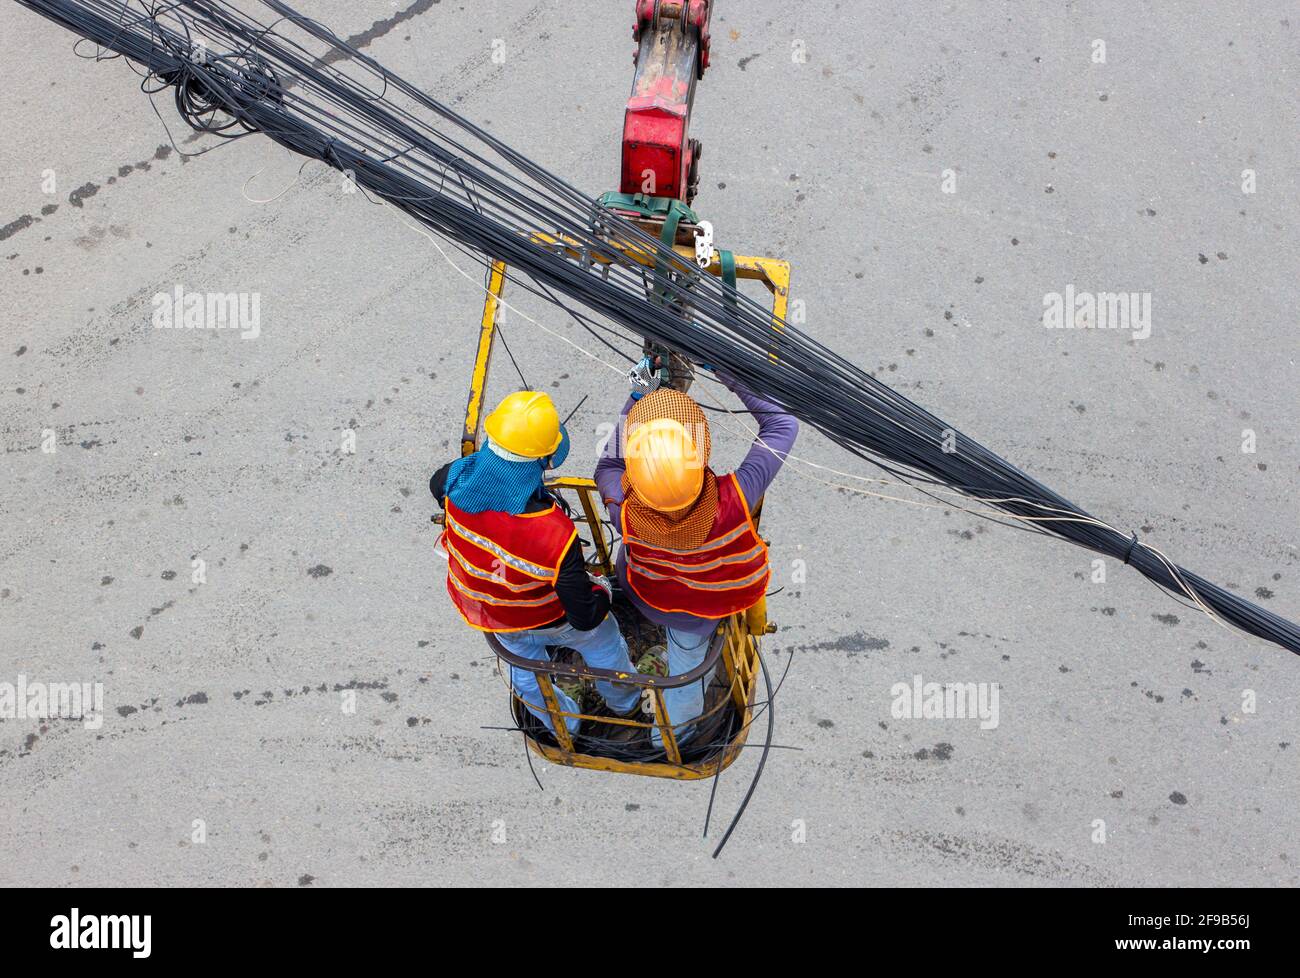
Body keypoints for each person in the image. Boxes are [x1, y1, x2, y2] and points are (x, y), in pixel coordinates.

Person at [594, 365, 798, 747]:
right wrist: (727, 370)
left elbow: (607, 466)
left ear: (636, 477)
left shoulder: (624, 511)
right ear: (700, 451)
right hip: (708, 605)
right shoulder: (736, 497)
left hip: (651, 594)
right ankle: (668, 738)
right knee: (688, 669)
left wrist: (637, 397)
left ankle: (650, 723)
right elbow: (782, 425)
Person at [431, 390, 638, 736]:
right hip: (548, 618)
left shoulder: (453, 484)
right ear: (545, 461)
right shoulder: (553, 535)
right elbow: (585, 617)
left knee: (527, 678)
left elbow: (439, 480)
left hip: (495, 617)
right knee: (604, 643)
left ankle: (564, 725)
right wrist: (602, 590)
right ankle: (625, 702)